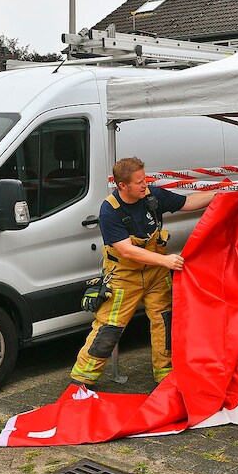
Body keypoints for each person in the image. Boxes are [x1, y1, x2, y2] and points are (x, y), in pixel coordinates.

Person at [69, 157, 216, 386]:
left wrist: (220, 194)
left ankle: (164, 374)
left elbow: (188, 203)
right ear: (122, 186)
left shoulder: (152, 196)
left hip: (156, 274)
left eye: (145, 179)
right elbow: (127, 251)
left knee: (164, 322)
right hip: (124, 277)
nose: (145, 185)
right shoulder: (109, 210)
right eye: (139, 182)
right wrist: (165, 261)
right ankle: (83, 378)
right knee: (110, 327)